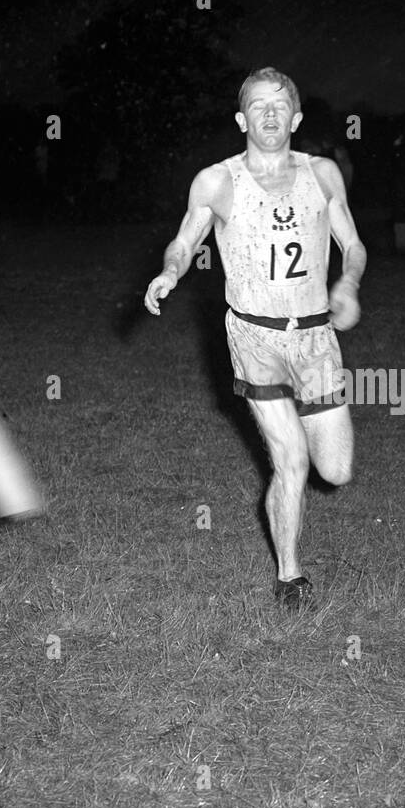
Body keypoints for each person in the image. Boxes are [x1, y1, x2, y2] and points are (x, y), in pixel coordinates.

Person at [143, 67, 365, 610]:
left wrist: (349, 283)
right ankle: (290, 576)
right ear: (242, 118)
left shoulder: (323, 174)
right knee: (290, 461)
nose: (270, 114)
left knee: (334, 469)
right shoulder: (216, 181)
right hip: (255, 338)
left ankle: (295, 541)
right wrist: (171, 272)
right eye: (259, 106)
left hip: (314, 338)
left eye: (280, 104)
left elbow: (353, 245)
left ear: (297, 116)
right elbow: (184, 239)